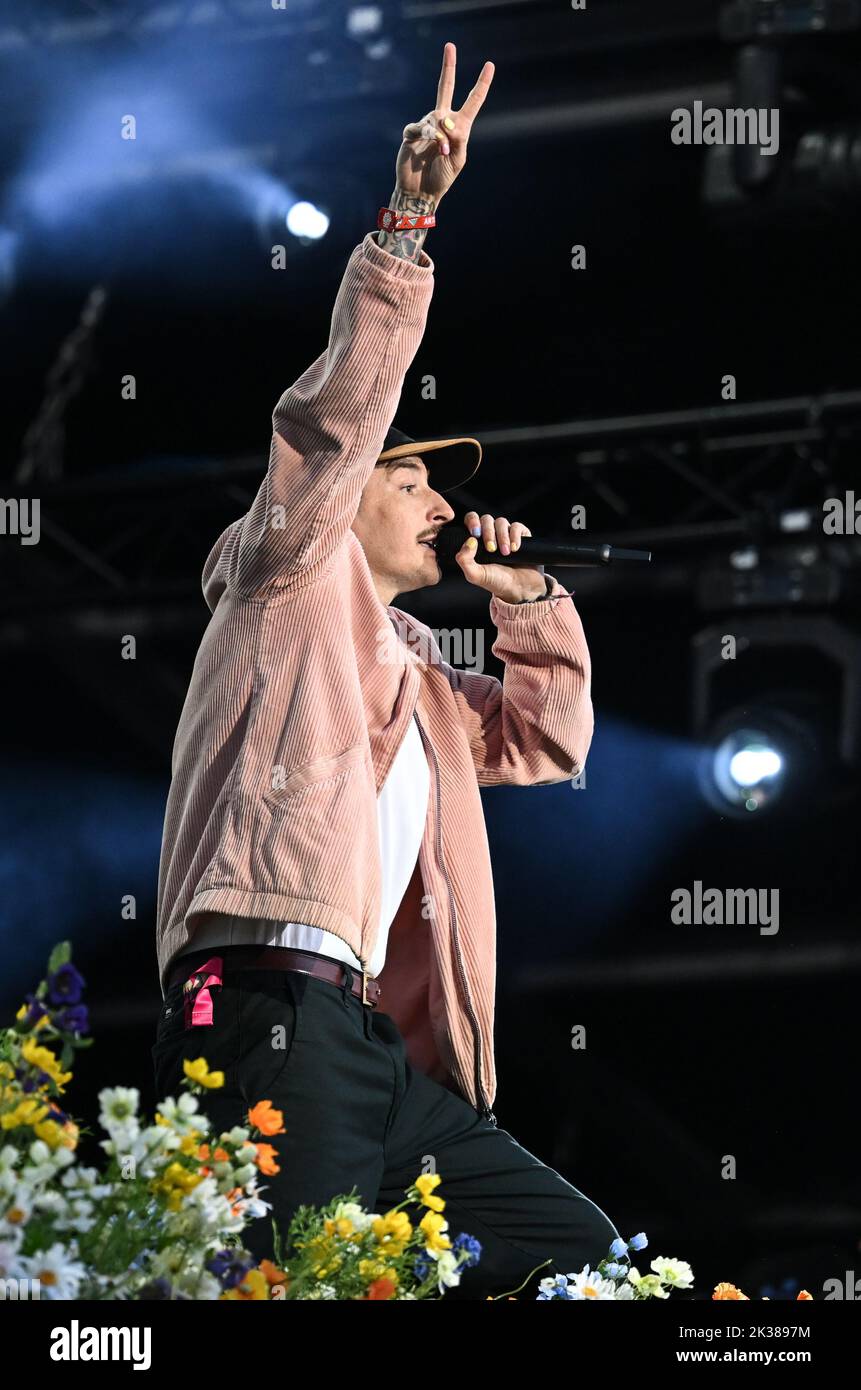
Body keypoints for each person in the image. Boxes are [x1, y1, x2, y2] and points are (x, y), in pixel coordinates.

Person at [151, 40, 618, 1299]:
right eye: (409, 478)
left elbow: (541, 744)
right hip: (266, 1004)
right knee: (287, 1280)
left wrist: (528, 601)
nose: (431, 502)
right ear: (347, 497)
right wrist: (407, 225)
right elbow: (333, 422)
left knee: (570, 1246)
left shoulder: (411, 669)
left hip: (369, 1043)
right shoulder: (285, 568)